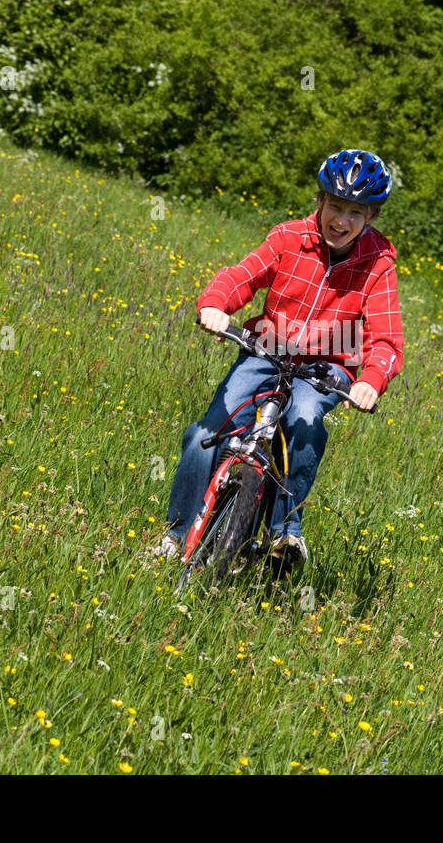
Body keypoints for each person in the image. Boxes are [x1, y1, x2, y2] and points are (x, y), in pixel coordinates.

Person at [155, 148, 405, 573]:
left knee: (305, 420)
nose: (341, 221)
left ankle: (285, 531)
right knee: (206, 434)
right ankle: (175, 536)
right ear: (320, 201)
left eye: (355, 213)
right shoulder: (289, 237)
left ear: (371, 218)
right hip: (266, 349)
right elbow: (244, 274)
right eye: (336, 207)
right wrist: (216, 304)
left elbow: (386, 337)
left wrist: (371, 379)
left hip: (324, 369)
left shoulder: (378, 265)